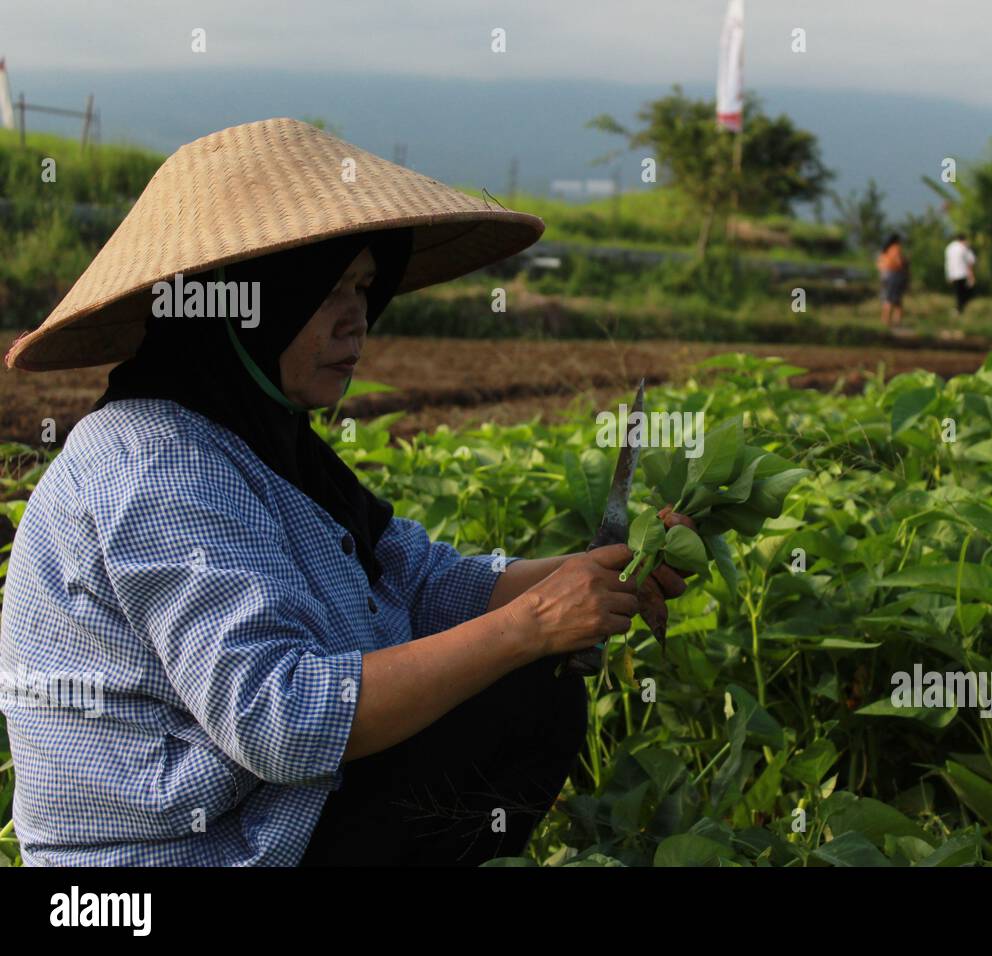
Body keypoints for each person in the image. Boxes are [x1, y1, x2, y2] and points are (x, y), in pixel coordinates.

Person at [0, 118, 693, 867]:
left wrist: (588, 572)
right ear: (244, 305)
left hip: (263, 817)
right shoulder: (155, 459)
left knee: (527, 692)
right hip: (164, 861)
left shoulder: (268, 443)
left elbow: (421, 583)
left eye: (364, 287)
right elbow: (278, 718)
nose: (354, 321)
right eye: (325, 291)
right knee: (521, 685)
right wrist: (527, 626)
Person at [876, 233, 908, 327]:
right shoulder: (895, 248)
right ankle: (893, 321)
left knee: (887, 297)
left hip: (884, 274)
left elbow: (879, 264)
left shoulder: (884, 250)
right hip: (894, 275)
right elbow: (900, 262)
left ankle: (886, 320)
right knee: (895, 299)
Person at [945, 233, 977, 316]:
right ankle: (960, 310)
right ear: (964, 239)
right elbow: (970, 262)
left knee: (957, 294)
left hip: (953, 275)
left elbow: (948, 263)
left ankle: (958, 310)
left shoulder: (949, 248)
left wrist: (948, 275)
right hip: (963, 274)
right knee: (965, 294)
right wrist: (971, 276)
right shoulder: (964, 247)